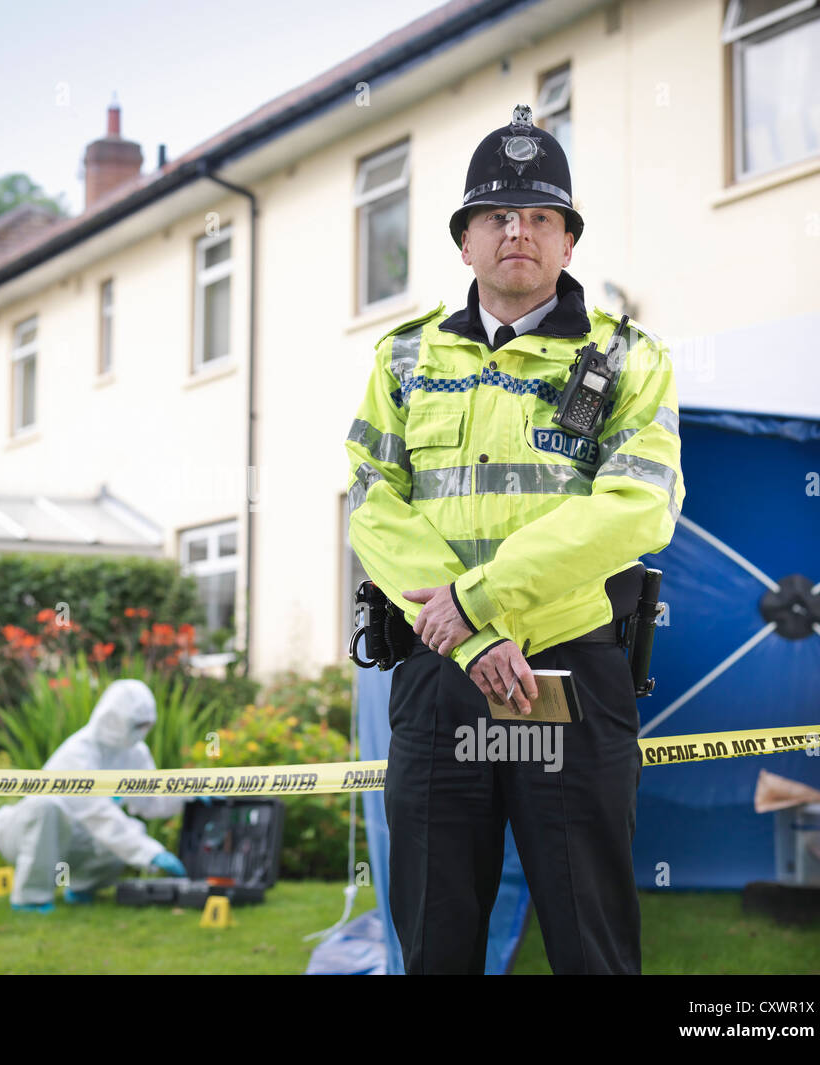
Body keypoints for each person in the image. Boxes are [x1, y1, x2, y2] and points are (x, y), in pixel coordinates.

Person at [345, 104, 684, 974]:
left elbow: (637, 509)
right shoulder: (404, 358)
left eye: (540, 216)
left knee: (591, 939)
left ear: (570, 241)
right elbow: (372, 501)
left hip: (567, 676)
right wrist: (474, 637)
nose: (518, 231)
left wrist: (477, 601)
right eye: (497, 215)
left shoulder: (628, 359)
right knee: (436, 937)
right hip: (444, 678)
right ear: (465, 241)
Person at [0, 679, 189, 912]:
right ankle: (30, 898)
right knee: (47, 807)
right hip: (24, 836)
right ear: (114, 719)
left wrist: (188, 797)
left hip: (70, 845)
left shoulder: (135, 753)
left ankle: (81, 886)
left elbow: (150, 799)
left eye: (146, 725)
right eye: (137, 725)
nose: (142, 732)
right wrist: (151, 852)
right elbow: (98, 815)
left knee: (122, 839)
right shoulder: (77, 753)